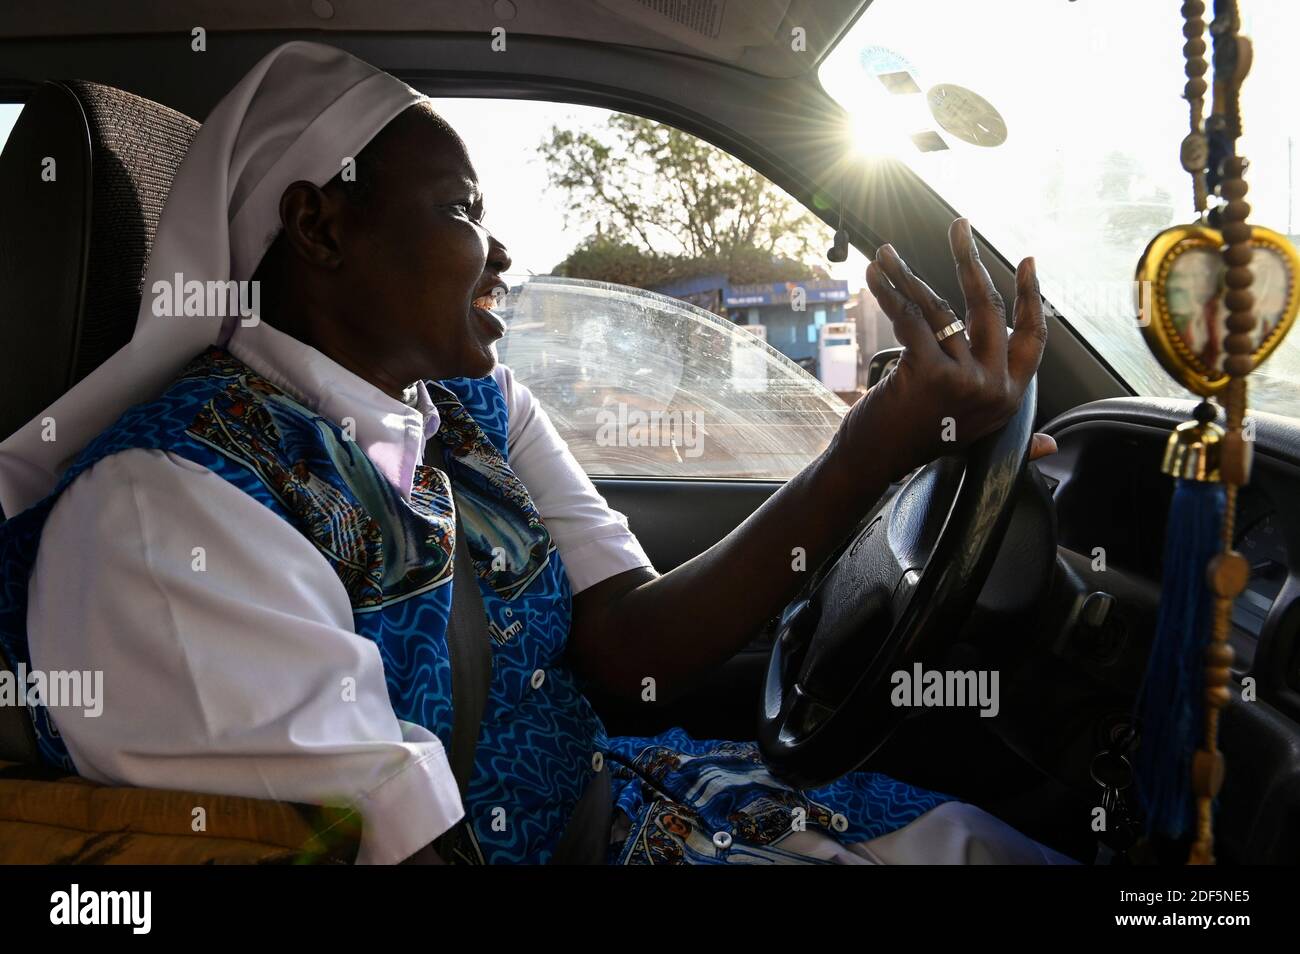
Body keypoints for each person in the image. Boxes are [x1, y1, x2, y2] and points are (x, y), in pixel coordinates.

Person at [0, 42, 1065, 865]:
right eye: (463, 210)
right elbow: (400, 845)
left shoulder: (469, 406)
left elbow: (630, 650)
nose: (500, 251)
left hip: (646, 799)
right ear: (319, 227)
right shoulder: (173, 508)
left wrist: (869, 449)